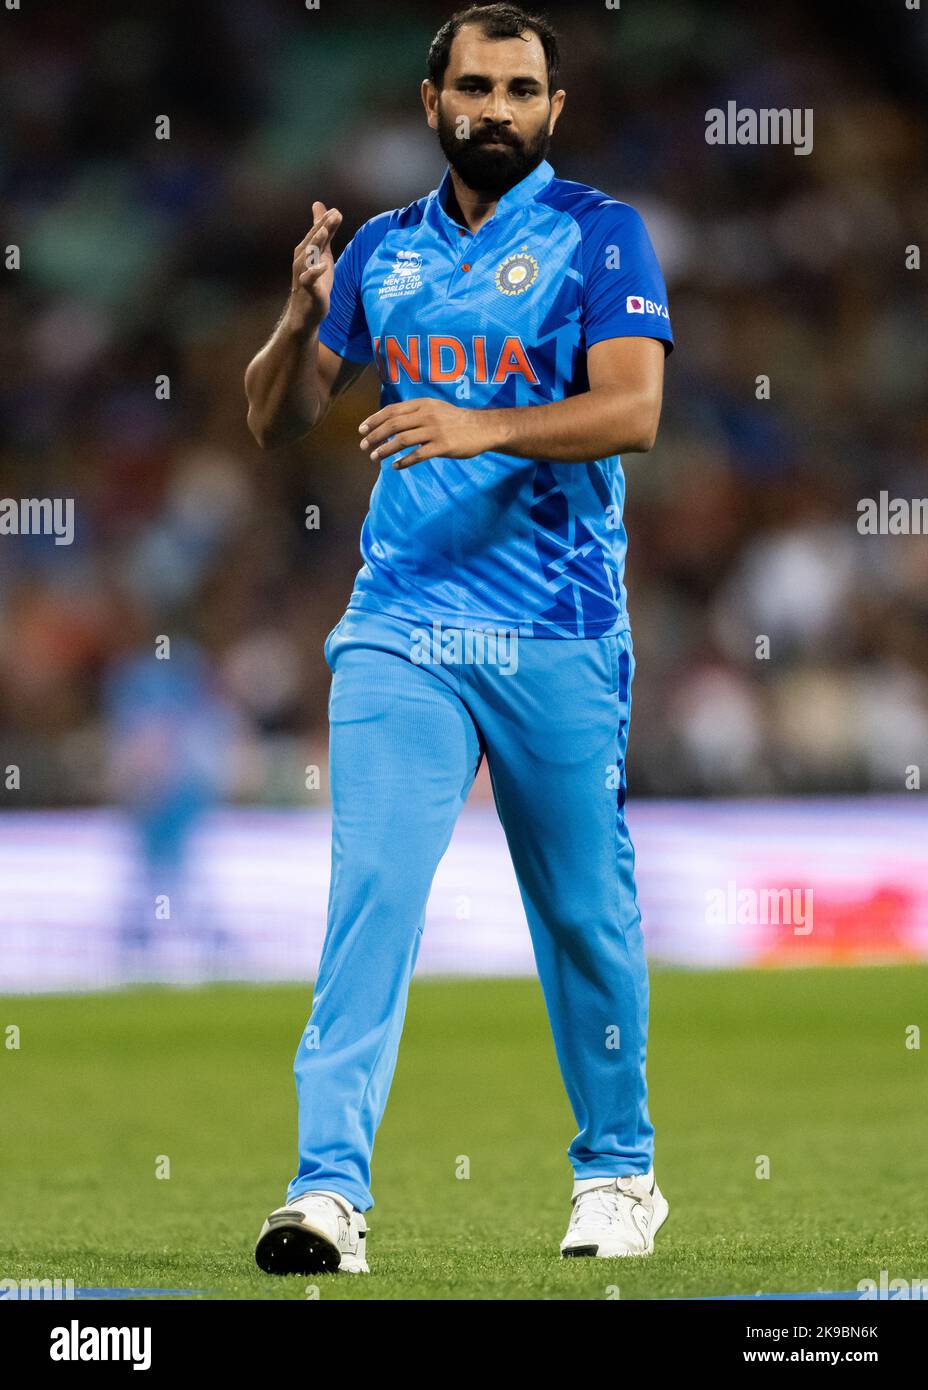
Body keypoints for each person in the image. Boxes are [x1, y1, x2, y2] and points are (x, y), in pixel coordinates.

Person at [245, 2, 673, 1276]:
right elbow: (278, 419)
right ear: (432, 100)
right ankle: (327, 1193)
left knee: (583, 913)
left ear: (554, 110)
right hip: (401, 629)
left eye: (521, 89)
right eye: (474, 86)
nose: (496, 108)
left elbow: (636, 411)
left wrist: (482, 426)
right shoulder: (377, 251)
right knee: (371, 895)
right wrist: (294, 314)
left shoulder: (603, 234)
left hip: (558, 629)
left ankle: (618, 1173)